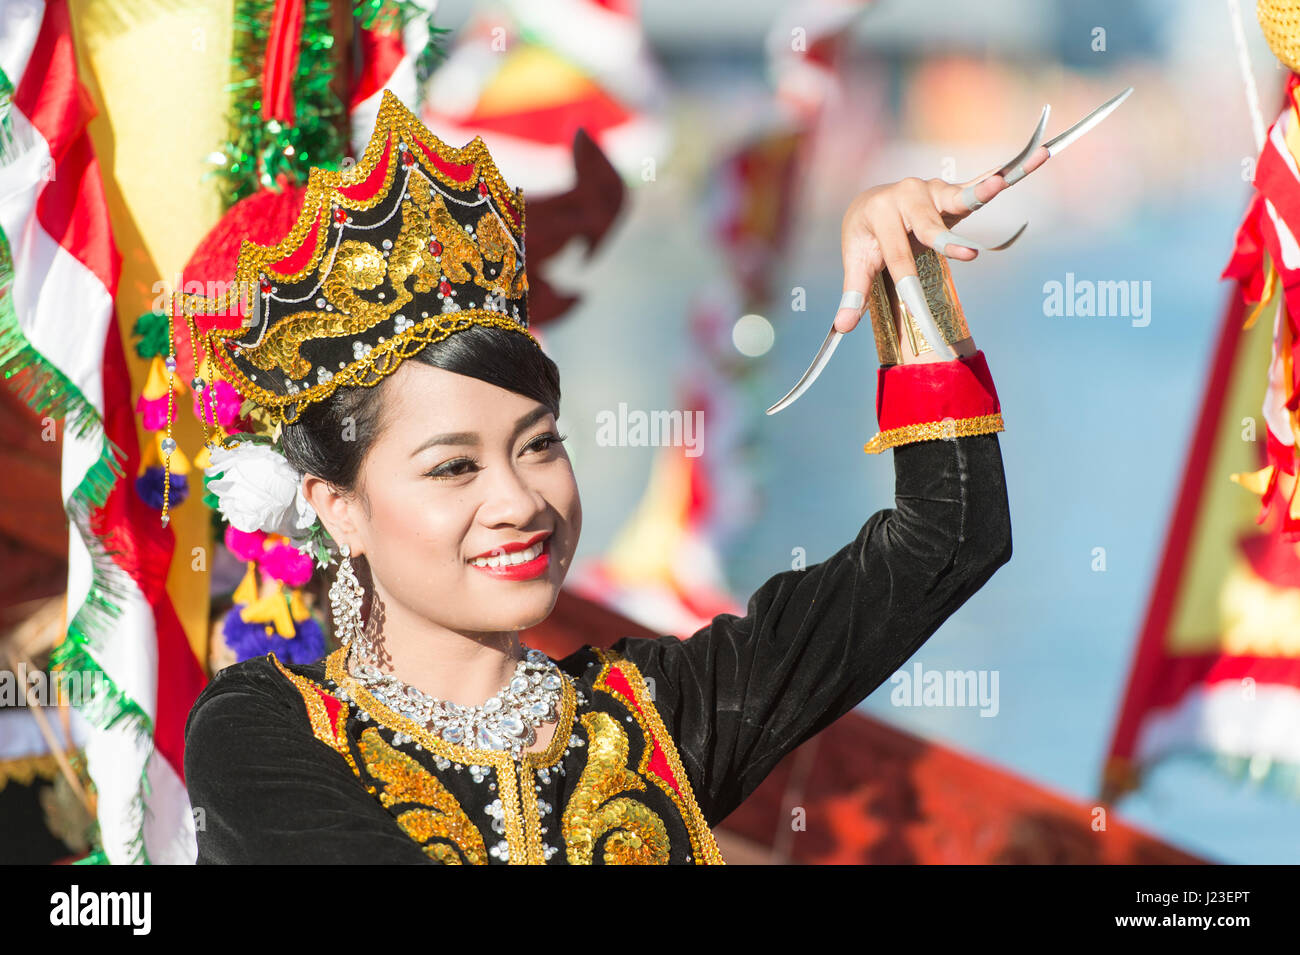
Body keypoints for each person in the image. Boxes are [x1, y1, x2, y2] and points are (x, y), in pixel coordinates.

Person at [180, 89, 1041, 865]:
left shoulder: (653, 718)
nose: (518, 501)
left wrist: (909, 280)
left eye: (539, 445)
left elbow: (949, 538)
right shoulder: (266, 731)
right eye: (452, 466)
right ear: (339, 510)